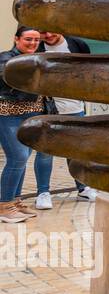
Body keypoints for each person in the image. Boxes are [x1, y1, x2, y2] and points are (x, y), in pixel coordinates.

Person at [38, 31, 97, 204]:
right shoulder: (36, 46)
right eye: (42, 32)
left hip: (74, 108)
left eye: (51, 30)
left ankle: (83, 188)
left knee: (76, 151)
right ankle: (43, 193)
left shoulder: (78, 44)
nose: (47, 35)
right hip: (46, 109)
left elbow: (89, 71)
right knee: (45, 153)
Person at [0, 26, 51, 220]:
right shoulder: (6, 58)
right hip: (8, 115)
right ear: (16, 39)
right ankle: (4, 206)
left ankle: (15, 202)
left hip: (31, 115)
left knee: (22, 159)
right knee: (18, 157)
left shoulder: (36, 58)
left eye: (36, 40)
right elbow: (10, 78)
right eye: (28, 39)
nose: (33, 43)